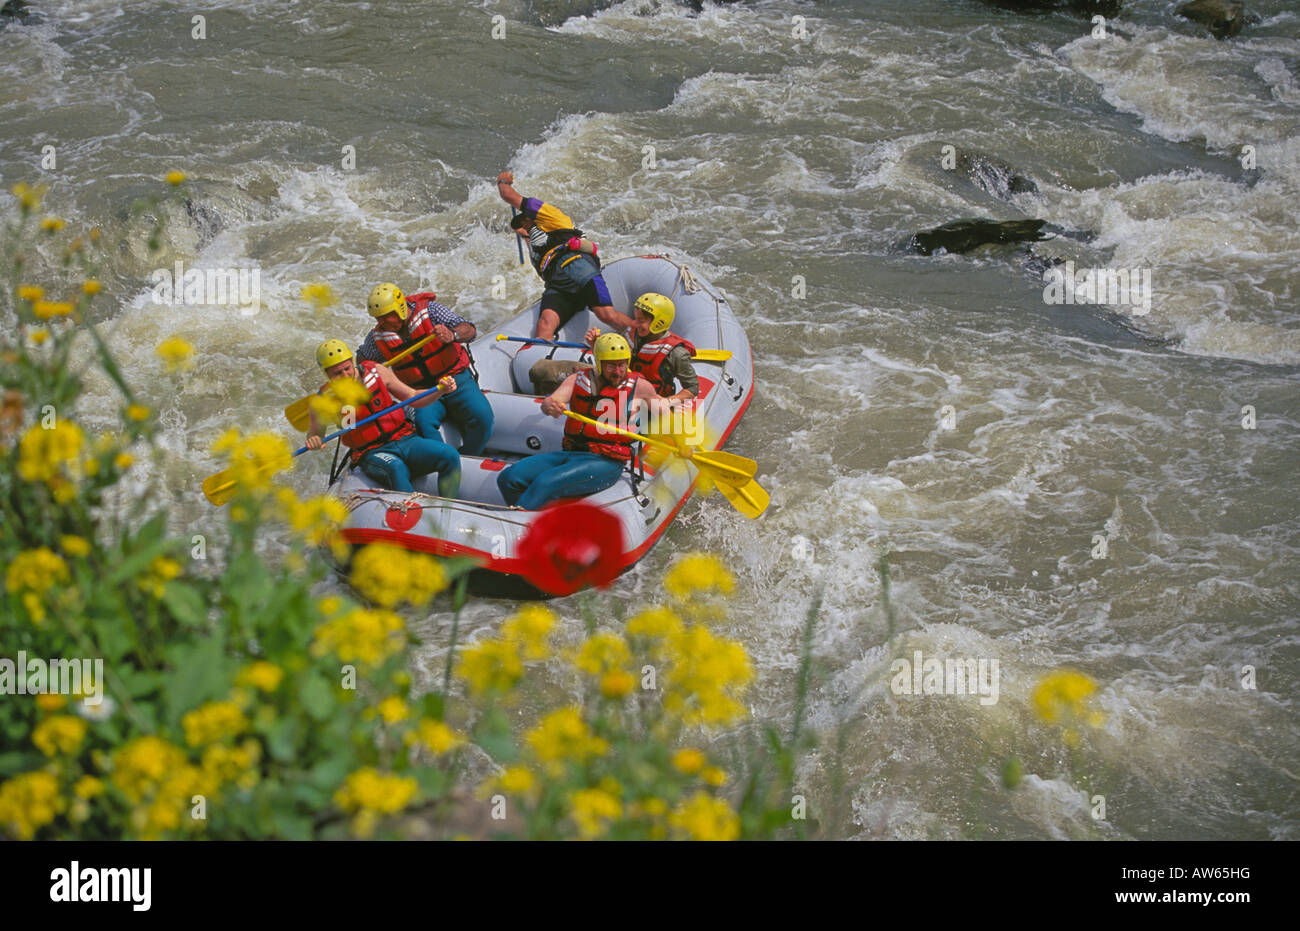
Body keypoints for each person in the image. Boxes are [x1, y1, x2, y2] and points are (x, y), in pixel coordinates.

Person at [497, 333, 664, 510]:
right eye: (611, 366)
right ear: (599, 364)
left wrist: (684, 444)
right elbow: (549, 403)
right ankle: (532, 515)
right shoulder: (577, 380)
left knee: (546, 482)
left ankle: (525, 521)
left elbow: (667, 416)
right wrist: (550, 405)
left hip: (607, 461)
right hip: (571, 453)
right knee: (508, 478)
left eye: (622, 365)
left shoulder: (640, 387)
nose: (618, 371)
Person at [307, 339, 461, 497]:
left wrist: (440, 390)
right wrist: (315, 441)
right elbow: (316, 435)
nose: (345, 375)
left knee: (449, 455)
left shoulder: (377, 371)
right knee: (396, 467)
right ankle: (412, 512)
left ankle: (448, 508)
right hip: (371, 452)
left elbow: (413, 396)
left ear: (352, 362)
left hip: (405, 438)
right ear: (326, 374)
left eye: (347, 368)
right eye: (337, 373)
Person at [357, 283, 494, 456]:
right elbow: (362, 359)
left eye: (385, 317)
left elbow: (469, 330)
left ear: (399, 309)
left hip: (455, 378)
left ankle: (470, 456)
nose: (381, 323)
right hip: (421, 392)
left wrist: (453, 335)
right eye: (378, 318)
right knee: (424, 425)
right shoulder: (377, 337)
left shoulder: (431, 311)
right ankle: (444, 462)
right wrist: (366, 374)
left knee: (483, 417)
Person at [495, 171, 634, 340]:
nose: (521, 228)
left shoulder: (551, 216)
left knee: (607, 315)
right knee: (545, 324)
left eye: (523, 222)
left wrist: (503, 181)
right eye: (518, 227)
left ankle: (642, 338)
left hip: (579, 269)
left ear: (531, 218)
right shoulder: (534, 248)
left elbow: (508, 195)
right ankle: (543, 362)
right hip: (558, 285)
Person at [529, 292, 700, 404]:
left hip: (644, 398)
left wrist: (669, 401)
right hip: (617, 380)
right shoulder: (636, 333)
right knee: (541, 370)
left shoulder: (676, 353)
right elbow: (613, 362)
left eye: (641, 320)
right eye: (636, 318)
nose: (635, 323)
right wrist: (596, 345)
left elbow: (692, 388)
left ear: (659, 323)